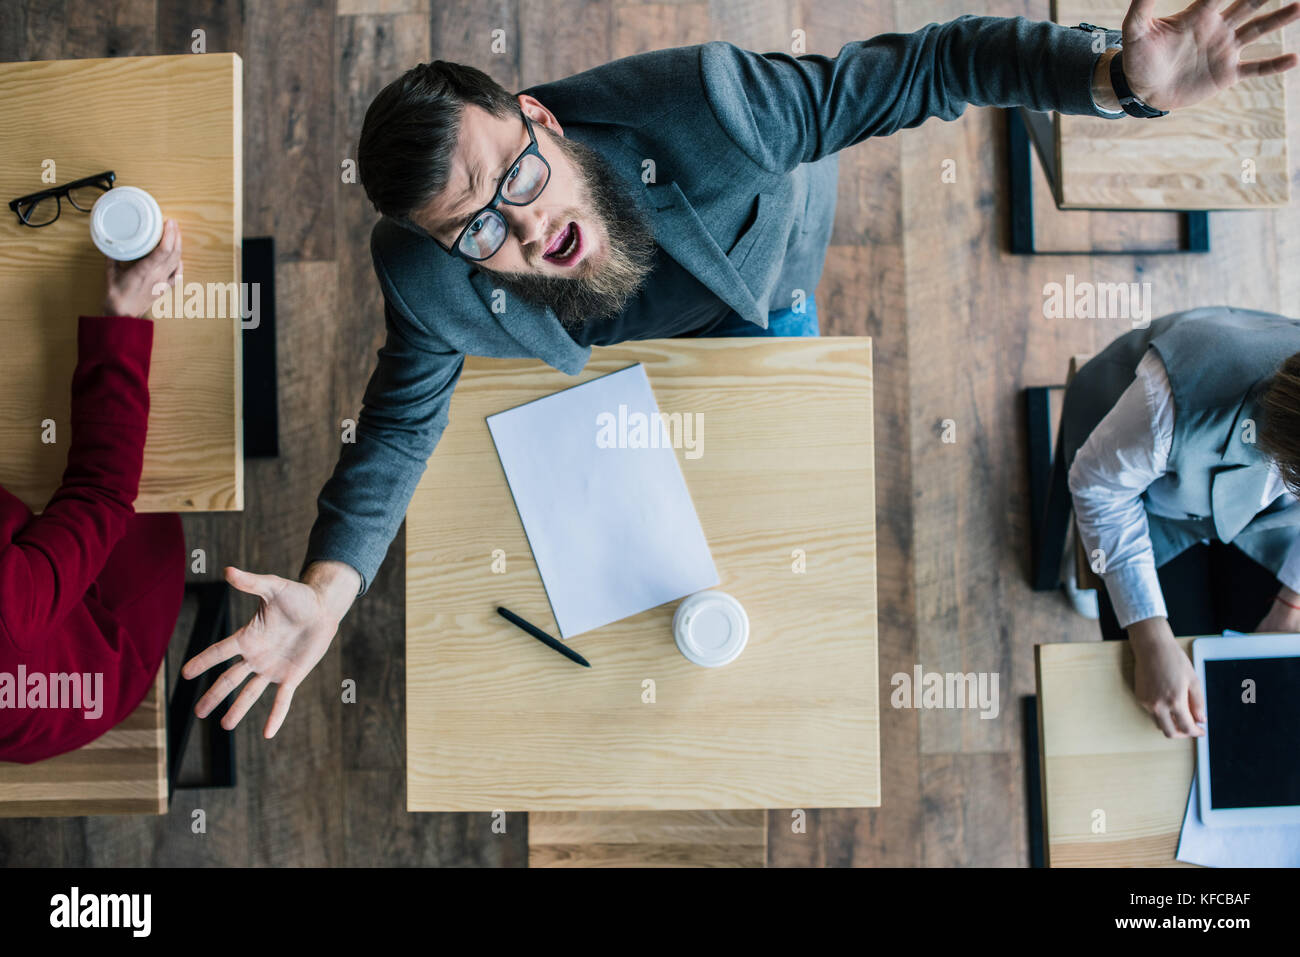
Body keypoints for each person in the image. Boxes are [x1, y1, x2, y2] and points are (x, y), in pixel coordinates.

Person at [181, 0, 1300, 738]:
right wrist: (330, 590)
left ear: (537, 120)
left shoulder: (720, 110)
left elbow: (928, 67)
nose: (520, 236)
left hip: (761, 283)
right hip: (610, 345)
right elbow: (396, 424)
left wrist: (1113, 76)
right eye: (476, 231)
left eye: (517, 180)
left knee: (770, 465)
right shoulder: (426, 275)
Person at [1064, 307, 1300, 740]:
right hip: (1150, 501)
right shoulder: (1176, 399)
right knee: (1162, 707)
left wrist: (1291, 604)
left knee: (1268, 695)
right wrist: (1150, 636)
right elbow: (1098, 487)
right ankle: (1080, 564)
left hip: (1266, 519)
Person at [0, 220, 185, 763]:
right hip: (108, 623)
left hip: (30, 652)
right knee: (166, 475)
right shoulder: (9, 606)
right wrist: (122, 319)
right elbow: (102, 488)